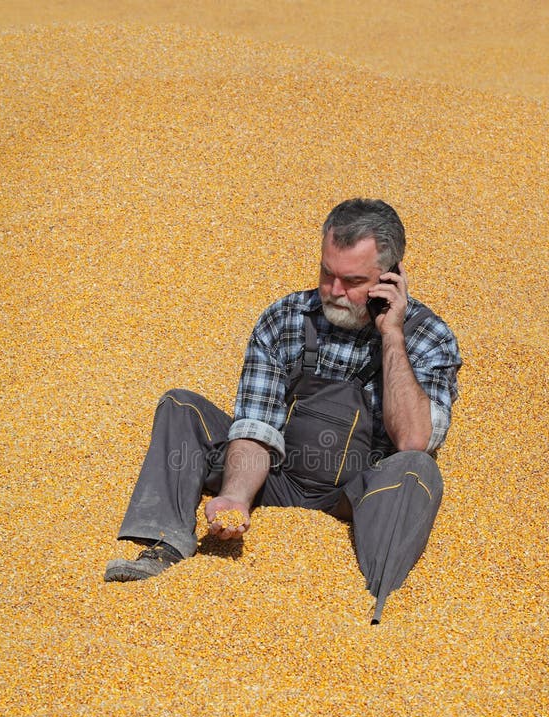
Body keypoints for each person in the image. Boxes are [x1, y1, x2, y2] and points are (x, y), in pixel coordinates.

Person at [104, 198, 462, 622]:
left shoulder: (430, 337)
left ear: (391, 278)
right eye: (327, 273)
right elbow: (257, 423)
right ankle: (166, 542)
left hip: (359, 496)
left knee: (418, 471)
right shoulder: (285, 319)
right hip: (275, 478)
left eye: (352, 280)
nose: (334, 291)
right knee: (181, 406)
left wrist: (392, 336)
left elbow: (414, 439)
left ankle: (377, 599)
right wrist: (235, 498)